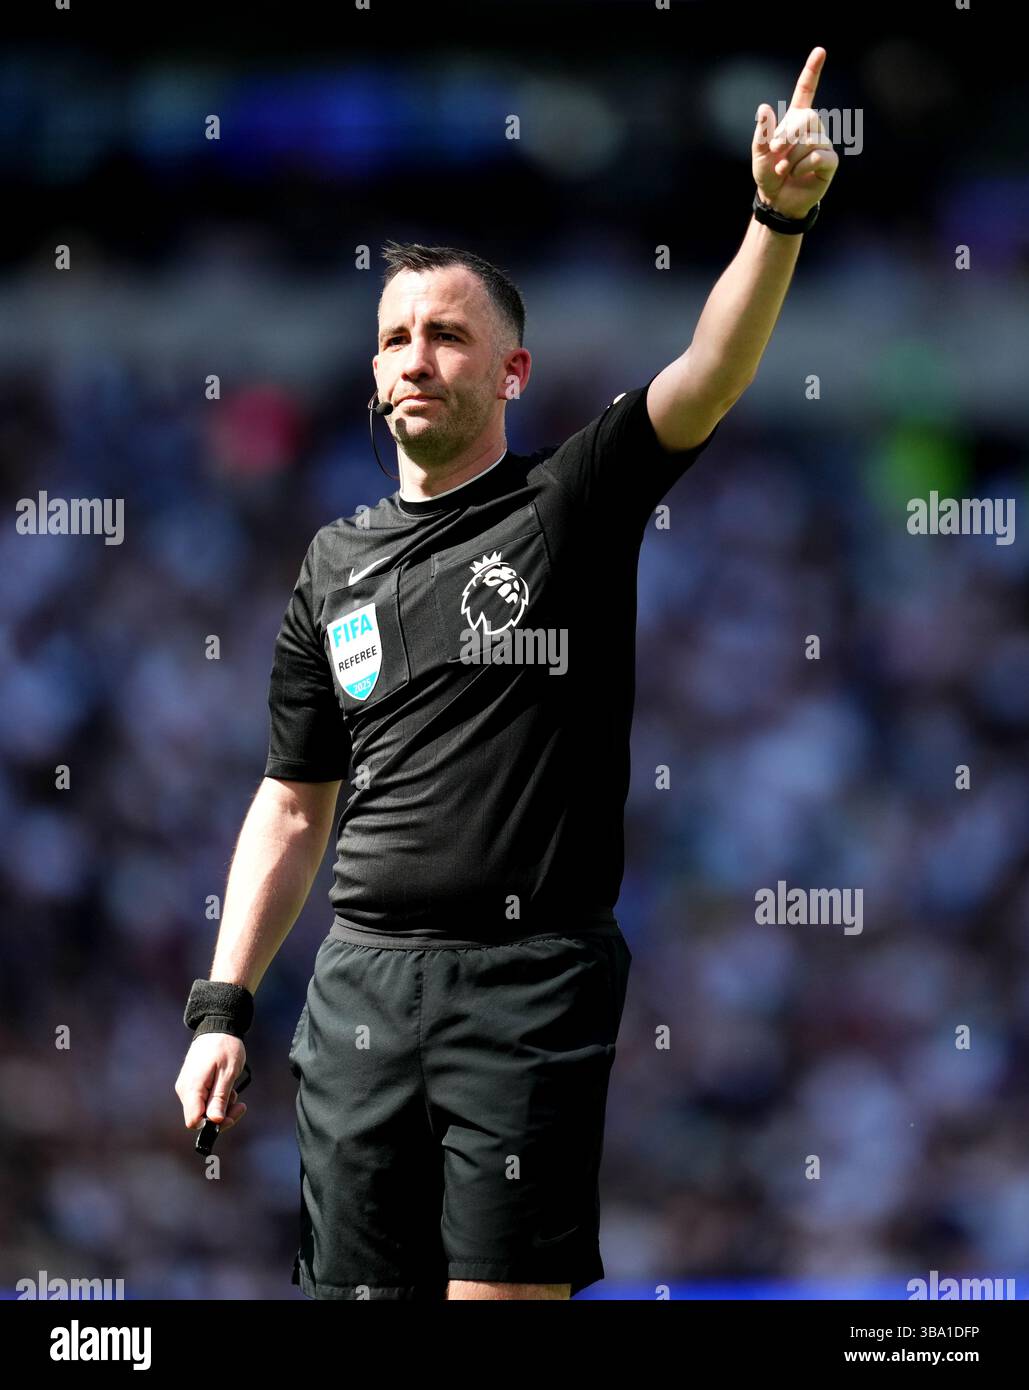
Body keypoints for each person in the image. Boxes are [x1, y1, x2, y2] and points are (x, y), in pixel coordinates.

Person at [175, 47, 838, 1300]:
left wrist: (777, 217)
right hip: (360, 982)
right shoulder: (332, 563)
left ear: (512, 372)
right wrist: (222, 1005)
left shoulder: (569, 502)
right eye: (395, 340)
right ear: (374, 377)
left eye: (448, 336)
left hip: (526, 987)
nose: (415, 357)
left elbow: (709, 373)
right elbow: (292, 800)